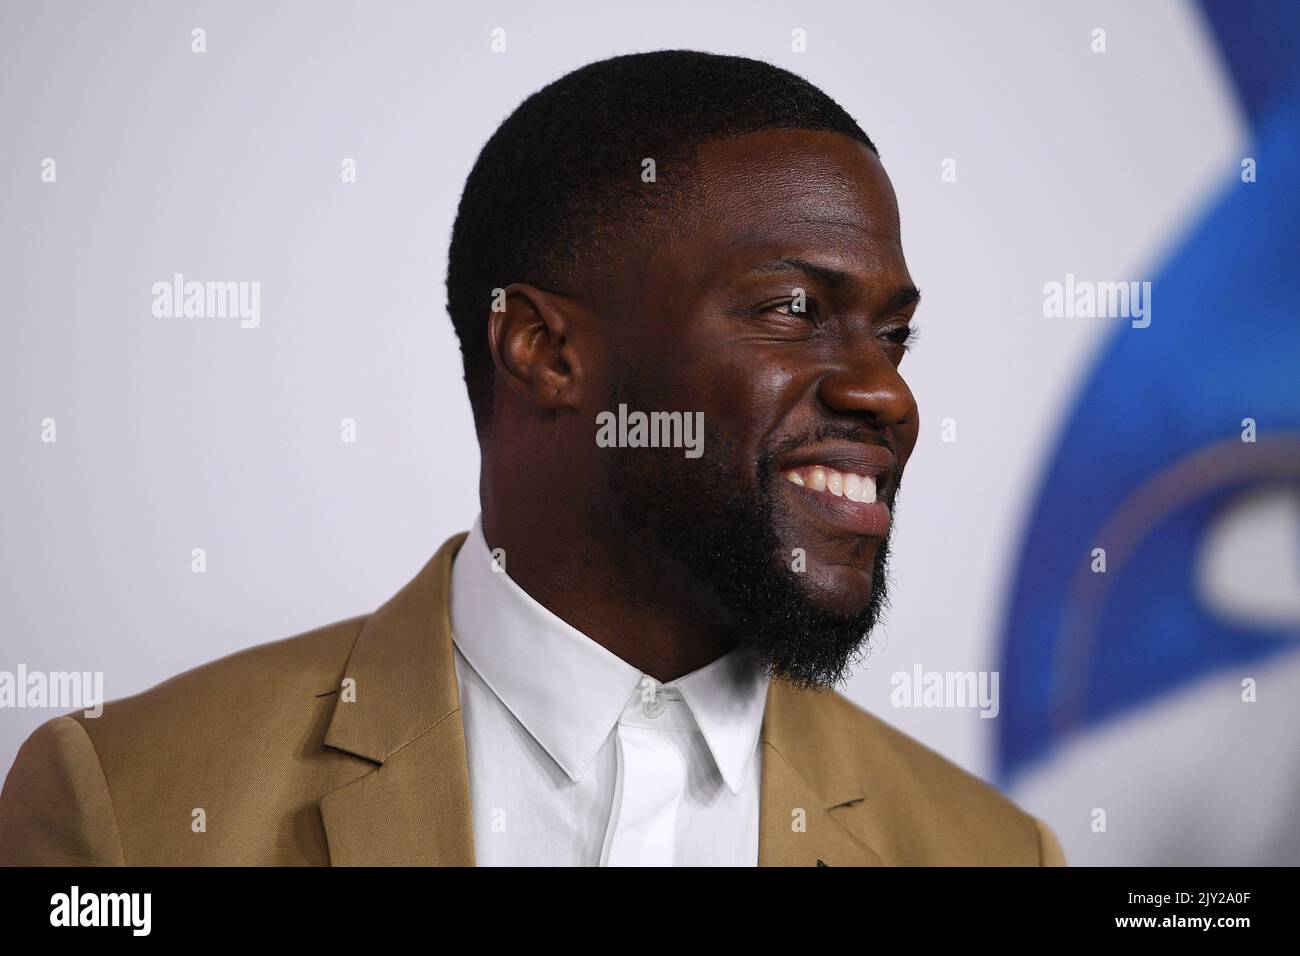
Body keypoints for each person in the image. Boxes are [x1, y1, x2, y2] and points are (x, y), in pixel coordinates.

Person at [0, 50, 1065, 866]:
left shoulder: (993, 852)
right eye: (794, 309)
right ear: (545, 351)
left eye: (893, 334)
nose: (885, 391)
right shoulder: (130, 807)